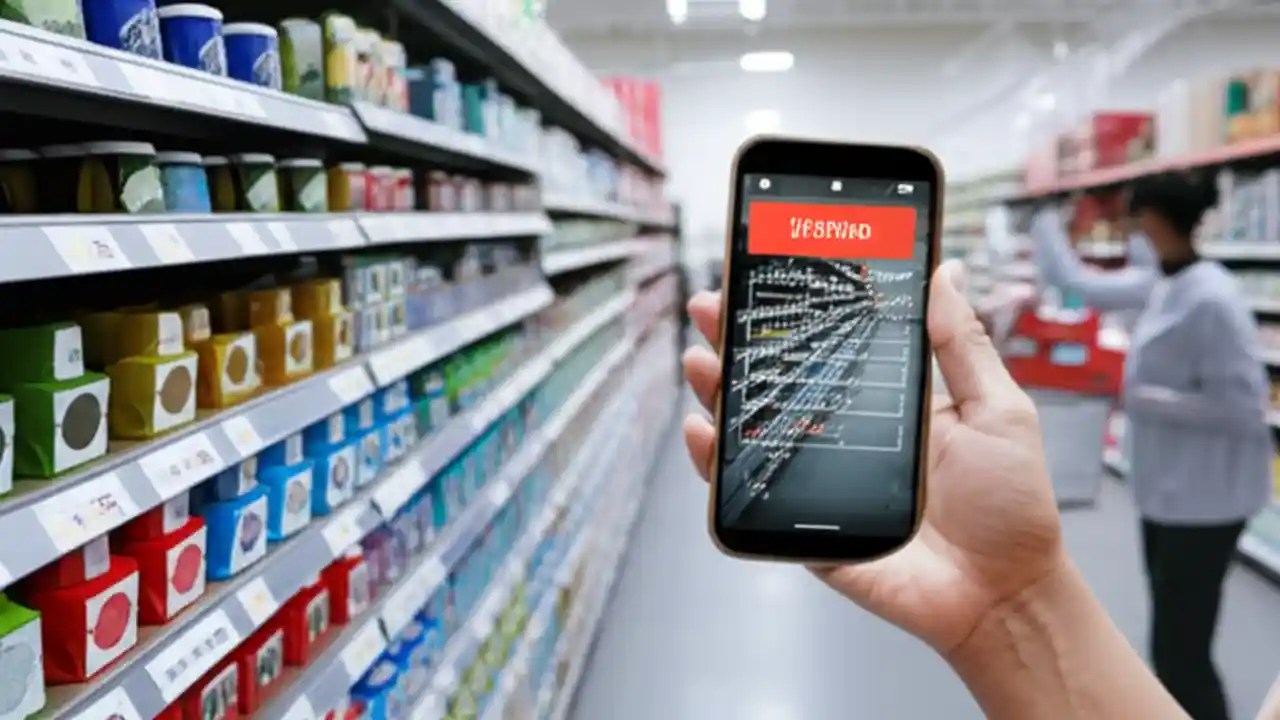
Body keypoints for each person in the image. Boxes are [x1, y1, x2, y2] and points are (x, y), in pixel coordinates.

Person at [1027, 174, 1273, 720]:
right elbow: (1081, 285)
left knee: (1181, 649)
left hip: (1207, 503)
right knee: (1171, 636)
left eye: (1138, 218)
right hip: (1168, 494)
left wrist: (1140, 396)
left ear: (1156, 221)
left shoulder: (1213, 299)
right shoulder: (1165, 282)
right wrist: (1047, 225)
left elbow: (1242, 408)